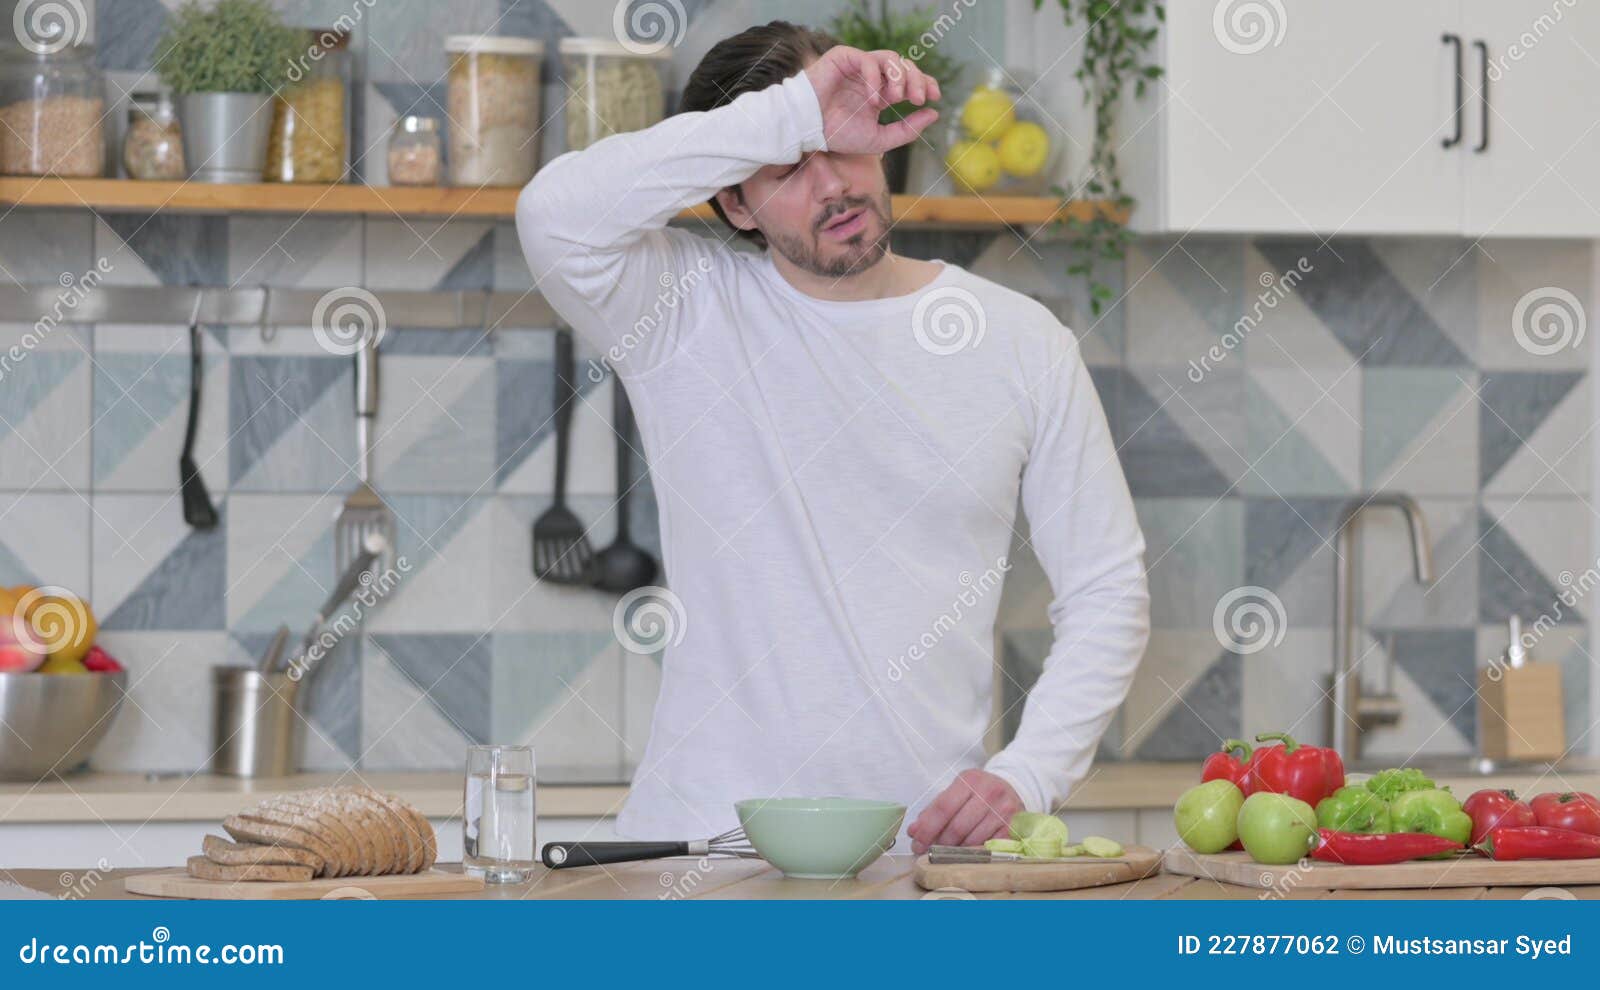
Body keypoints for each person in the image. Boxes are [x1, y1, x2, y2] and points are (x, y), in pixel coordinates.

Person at [517, 20, 1148, 853]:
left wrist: (1028, 774)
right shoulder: (678, 311)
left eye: (842, 149)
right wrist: (796, 111)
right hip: (699, 858)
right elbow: (554, 214)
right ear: (734, 202)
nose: (832, 187)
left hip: (917, 859)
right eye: (789, 163)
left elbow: (1107, 590)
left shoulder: (1019, 342)